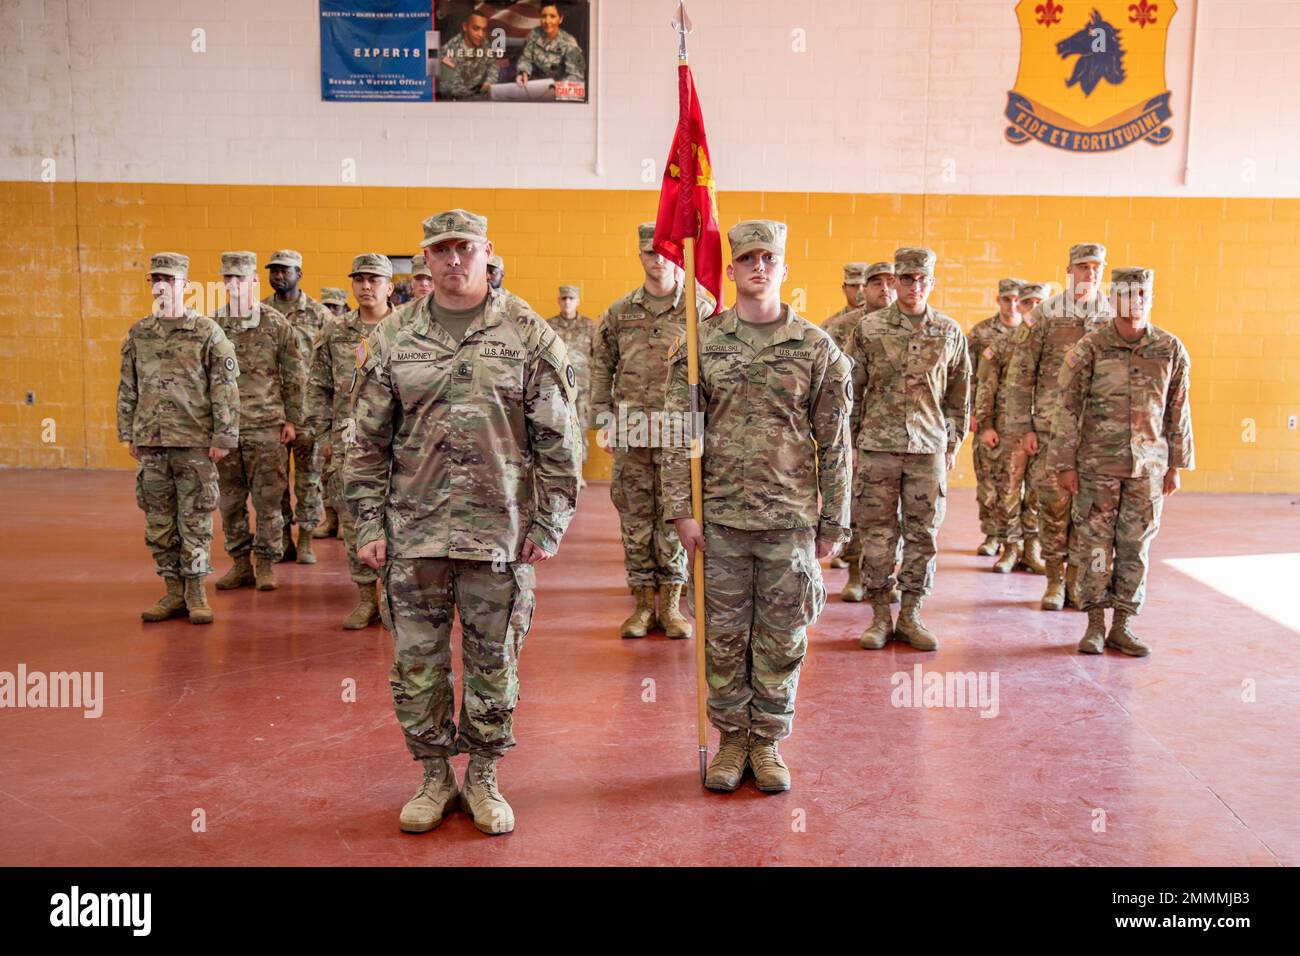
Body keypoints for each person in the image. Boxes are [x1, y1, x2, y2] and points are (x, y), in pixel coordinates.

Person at [348, 209, 580, 835]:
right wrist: (366, 526)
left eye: (466, 248)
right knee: (417, 663)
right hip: (413, 534)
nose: (454, 260)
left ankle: (482, 774)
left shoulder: (529, 334)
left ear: (487, 252)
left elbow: (560, 440)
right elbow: (365, 441)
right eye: (441, 249)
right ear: (424, 258)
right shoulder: (393, 337)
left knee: (493, 661)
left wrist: (550, 522)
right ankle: (432, 775)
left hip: (498, 535)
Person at [664, 219, 852, 793]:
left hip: (789, 521)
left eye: (769, 257)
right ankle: (730, 741)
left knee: (781, 635)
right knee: (722, 635)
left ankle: (766, 740)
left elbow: (836, 440)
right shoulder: (702, 345)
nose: (759, 267)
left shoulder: (817, 348)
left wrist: (833, 521)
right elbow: (679, 433)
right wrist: (681, 509)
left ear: (784, 269)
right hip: (719, 518)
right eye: (747, 258)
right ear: (732, 269)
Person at [1051, 267, 1193, 656]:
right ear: (1114, 300)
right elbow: (1067, 408)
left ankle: (1123, 625)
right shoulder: (1090, 347)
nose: (1135, 301)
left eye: (1142, 294)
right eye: (1127, 294)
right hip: (1097, 467)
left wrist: (1176, 465)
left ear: (1151, 297)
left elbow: (1177, 412)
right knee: (1095, 546)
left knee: (1135, 547)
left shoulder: (1169, 348)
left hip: (1147, 469)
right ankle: (1095, 623)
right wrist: (1064, 463)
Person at [590, 222, 713, 640]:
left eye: (664, 251)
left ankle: (673, 606)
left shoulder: (701, 307)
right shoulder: (620, 311)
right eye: (649, 252)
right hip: (632, 428)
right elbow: (601, 365)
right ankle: (644, 606)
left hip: (681, 430)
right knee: (636, 518)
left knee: (676, 517)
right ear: (639, 255)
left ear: (677, 254)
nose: (657, 259)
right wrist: (602, 420)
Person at [848, 247, 970, 651]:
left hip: (928, 449)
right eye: (906, 278)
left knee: (923, 535)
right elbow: (853, 390)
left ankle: (912, 614)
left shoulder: (949, 332)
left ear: (932, 282)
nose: (914, 286)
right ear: (894, 281)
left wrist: (950, 442)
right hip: (877, 447)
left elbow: (959, 394)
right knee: (877, 534)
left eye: (922, 279)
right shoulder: (869, 329)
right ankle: (881, 616)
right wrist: (850, 442)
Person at [117, 252, 238, 625]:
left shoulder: (206, 332)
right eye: (157, 280)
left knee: (196, 519)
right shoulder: (139, 333)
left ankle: (196, 592)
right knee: (158, 520)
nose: (163, 286)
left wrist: (223, 435)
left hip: (195, 444)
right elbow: (127, 386)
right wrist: (128, 432)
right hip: (151, 443)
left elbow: (225, 387)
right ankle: (171, 591)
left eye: (170, 280)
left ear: (185, 286)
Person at [1007, 244, 1112, 611]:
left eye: (1096, 266)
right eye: (1083, 266)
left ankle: (1075, 580)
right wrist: (1024, 428)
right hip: (1052, 431)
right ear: (1069, 270)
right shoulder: (1047, 314)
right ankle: (1053, 580)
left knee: (1089, 513)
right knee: (1052, 508)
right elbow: (1022, 373)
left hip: (1098, 435)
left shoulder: (1114, 313)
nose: (1090, 273)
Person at [304, 254, 396, 629]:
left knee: (400, 524)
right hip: (348, 444)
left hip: (400, 444)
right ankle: (364, 599)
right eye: (359, 279)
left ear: (390, 287)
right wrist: (323, 436)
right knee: (355, 520)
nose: (365, 286)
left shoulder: (411, 328)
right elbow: (317, 385)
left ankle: (392, 600)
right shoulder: (334, 330)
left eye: (374, 279)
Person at [210, 252, 304, 592]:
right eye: (228, 279)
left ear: (253, 281)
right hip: (227, 430)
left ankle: (265, 563)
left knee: (268, 502)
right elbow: (203, 379)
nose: (235, 285)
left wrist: (292, 419)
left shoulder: (276, 323)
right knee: (231, 503)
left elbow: (294, 374)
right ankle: (240, 564)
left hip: (267, 427)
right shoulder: (213, 326)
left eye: (241, 279)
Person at [822, 260, 895, 592]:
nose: (885, 289)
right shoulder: (842, 327)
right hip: (853, 431)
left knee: (894, 512)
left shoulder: (906, 327)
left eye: (891, 282)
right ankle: (854, 572)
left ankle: (886, 576)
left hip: (894, 433)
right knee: (852, 503)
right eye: (876, 283)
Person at [264, 249, 331, 565]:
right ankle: (282, 540)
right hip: (271, 411)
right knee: (274, 481)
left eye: (285, 270)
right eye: (274, 271)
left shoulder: (319, 314)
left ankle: (305, 539)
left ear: (299, 274)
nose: (279, 276)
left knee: (308, 479)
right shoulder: (260, 312)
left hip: (307, 412)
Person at [968, 278, 1022, 557]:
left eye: (1017, 299)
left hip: (1021, 421)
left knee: (1017, 486)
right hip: (988, 417)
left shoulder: (1034, 335)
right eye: (1006, 299)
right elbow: (969, 376)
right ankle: (991, 535)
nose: (1012, 305)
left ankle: (1020, 541)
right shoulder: (981, 333)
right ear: (998, 300)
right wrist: (973, 413)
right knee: (988, 481)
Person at [545, 284, 595, 476]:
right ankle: (560, 473)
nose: (567, 302)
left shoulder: (589, 327)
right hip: (556, 388)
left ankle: (578, 473)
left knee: (580, 431)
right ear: (559, 300)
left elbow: (598, 357)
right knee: (557, 430)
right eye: (564, 298)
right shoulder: (549, 326)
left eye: (571, 298)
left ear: (578, 301)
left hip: (582, 388)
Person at [515, 3, 586, 85]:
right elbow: (526, 58)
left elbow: (576, 76)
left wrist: (557, 88)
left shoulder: (569, 42)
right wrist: (523, 72)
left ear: (560, 19)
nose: (547, 21)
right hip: (535, 86)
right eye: (544, 16)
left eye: (552, 16)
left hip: (559, 90)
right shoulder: (534, 33)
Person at [437, 11, 502, 101]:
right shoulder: (449, 50)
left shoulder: (485, 44)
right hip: (455, 104)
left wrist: (489, 82)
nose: (481, 34)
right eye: (476, 28)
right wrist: (478, 94)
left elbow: (493, 65)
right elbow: (450, 88)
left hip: (480, 99)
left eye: (484, 30)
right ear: (465, 27)